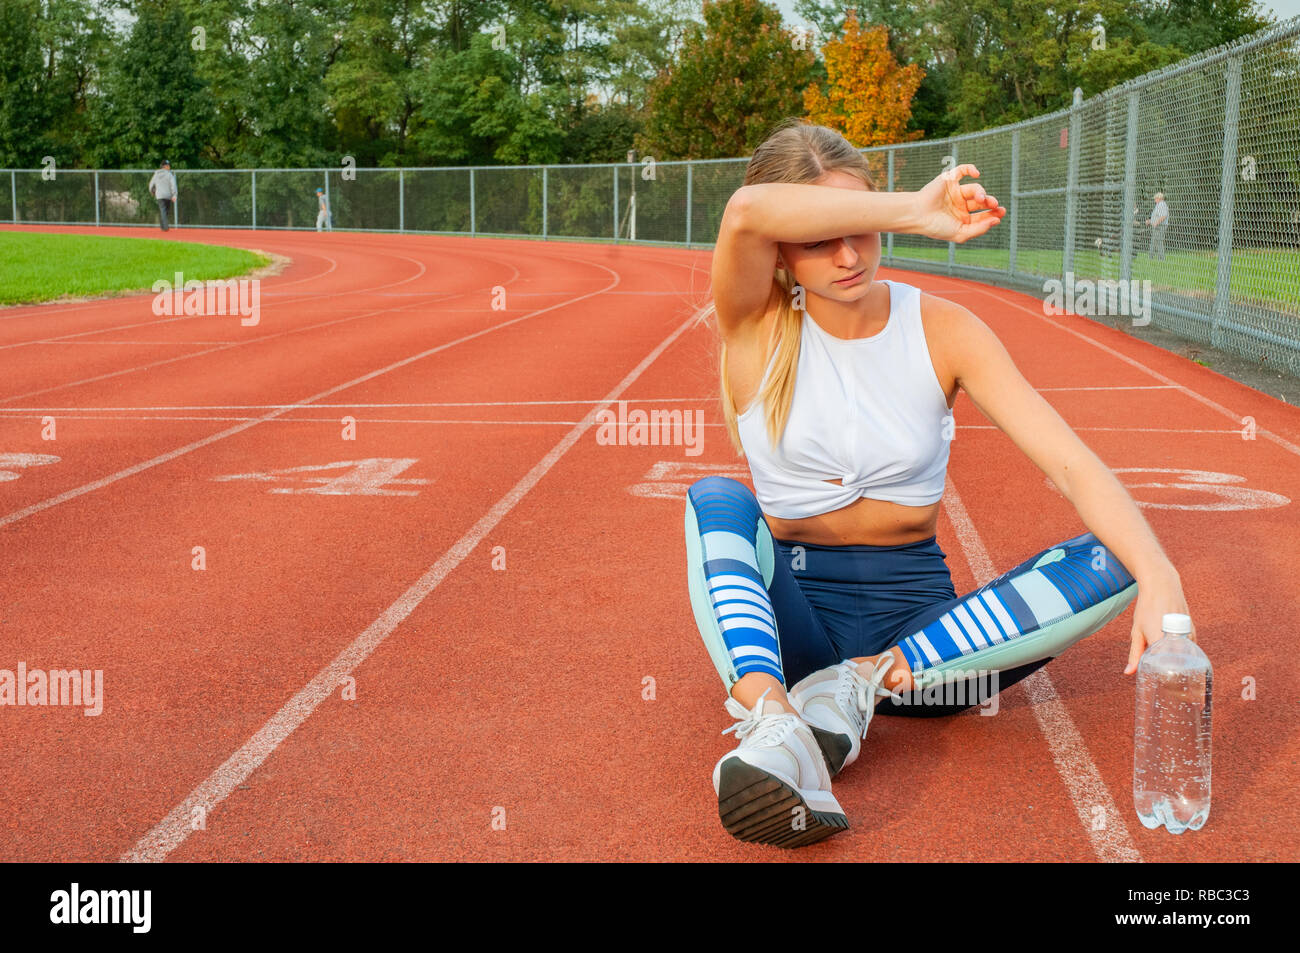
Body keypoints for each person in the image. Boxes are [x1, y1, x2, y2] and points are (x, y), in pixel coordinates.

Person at [686, 118, 1196, 848]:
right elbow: (744, 213)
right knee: (716, 499)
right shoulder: (756, 324)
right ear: (780, 251)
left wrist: (1163, 577)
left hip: (931, 662)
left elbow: (1071, 464)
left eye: (861, 224)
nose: (848, 249)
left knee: (1124, 558)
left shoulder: (945, 329)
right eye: (821, 231)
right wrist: (908, 210)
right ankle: (777, 724)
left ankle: (851, 692)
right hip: (793, 636)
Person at [148, 160, 178, 231]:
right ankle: (166, 226)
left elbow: (151, 184)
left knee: (164, 211)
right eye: (168, 165)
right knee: (164, 211)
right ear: (165, 166)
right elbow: (173, 185)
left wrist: (152, 191)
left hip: (159, 195)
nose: (169, 167)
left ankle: (162, 226)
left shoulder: (156, 174)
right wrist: (174, 194)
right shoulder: (169, 174)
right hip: (167, 195)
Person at [1145, 192, 1168, 260]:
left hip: (1160, 226)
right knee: (1155, 241)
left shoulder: (1162, 205)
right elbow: (1156, 216)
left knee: (1158, 241)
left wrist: (1156, 223)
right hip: (1157, 225)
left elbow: (1164, 216)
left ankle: (1160, 258)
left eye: (1155, 198)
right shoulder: (1158, 205)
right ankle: (1152, 257)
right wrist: (1150, 221)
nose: (1154, 200)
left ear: (1159, 198)